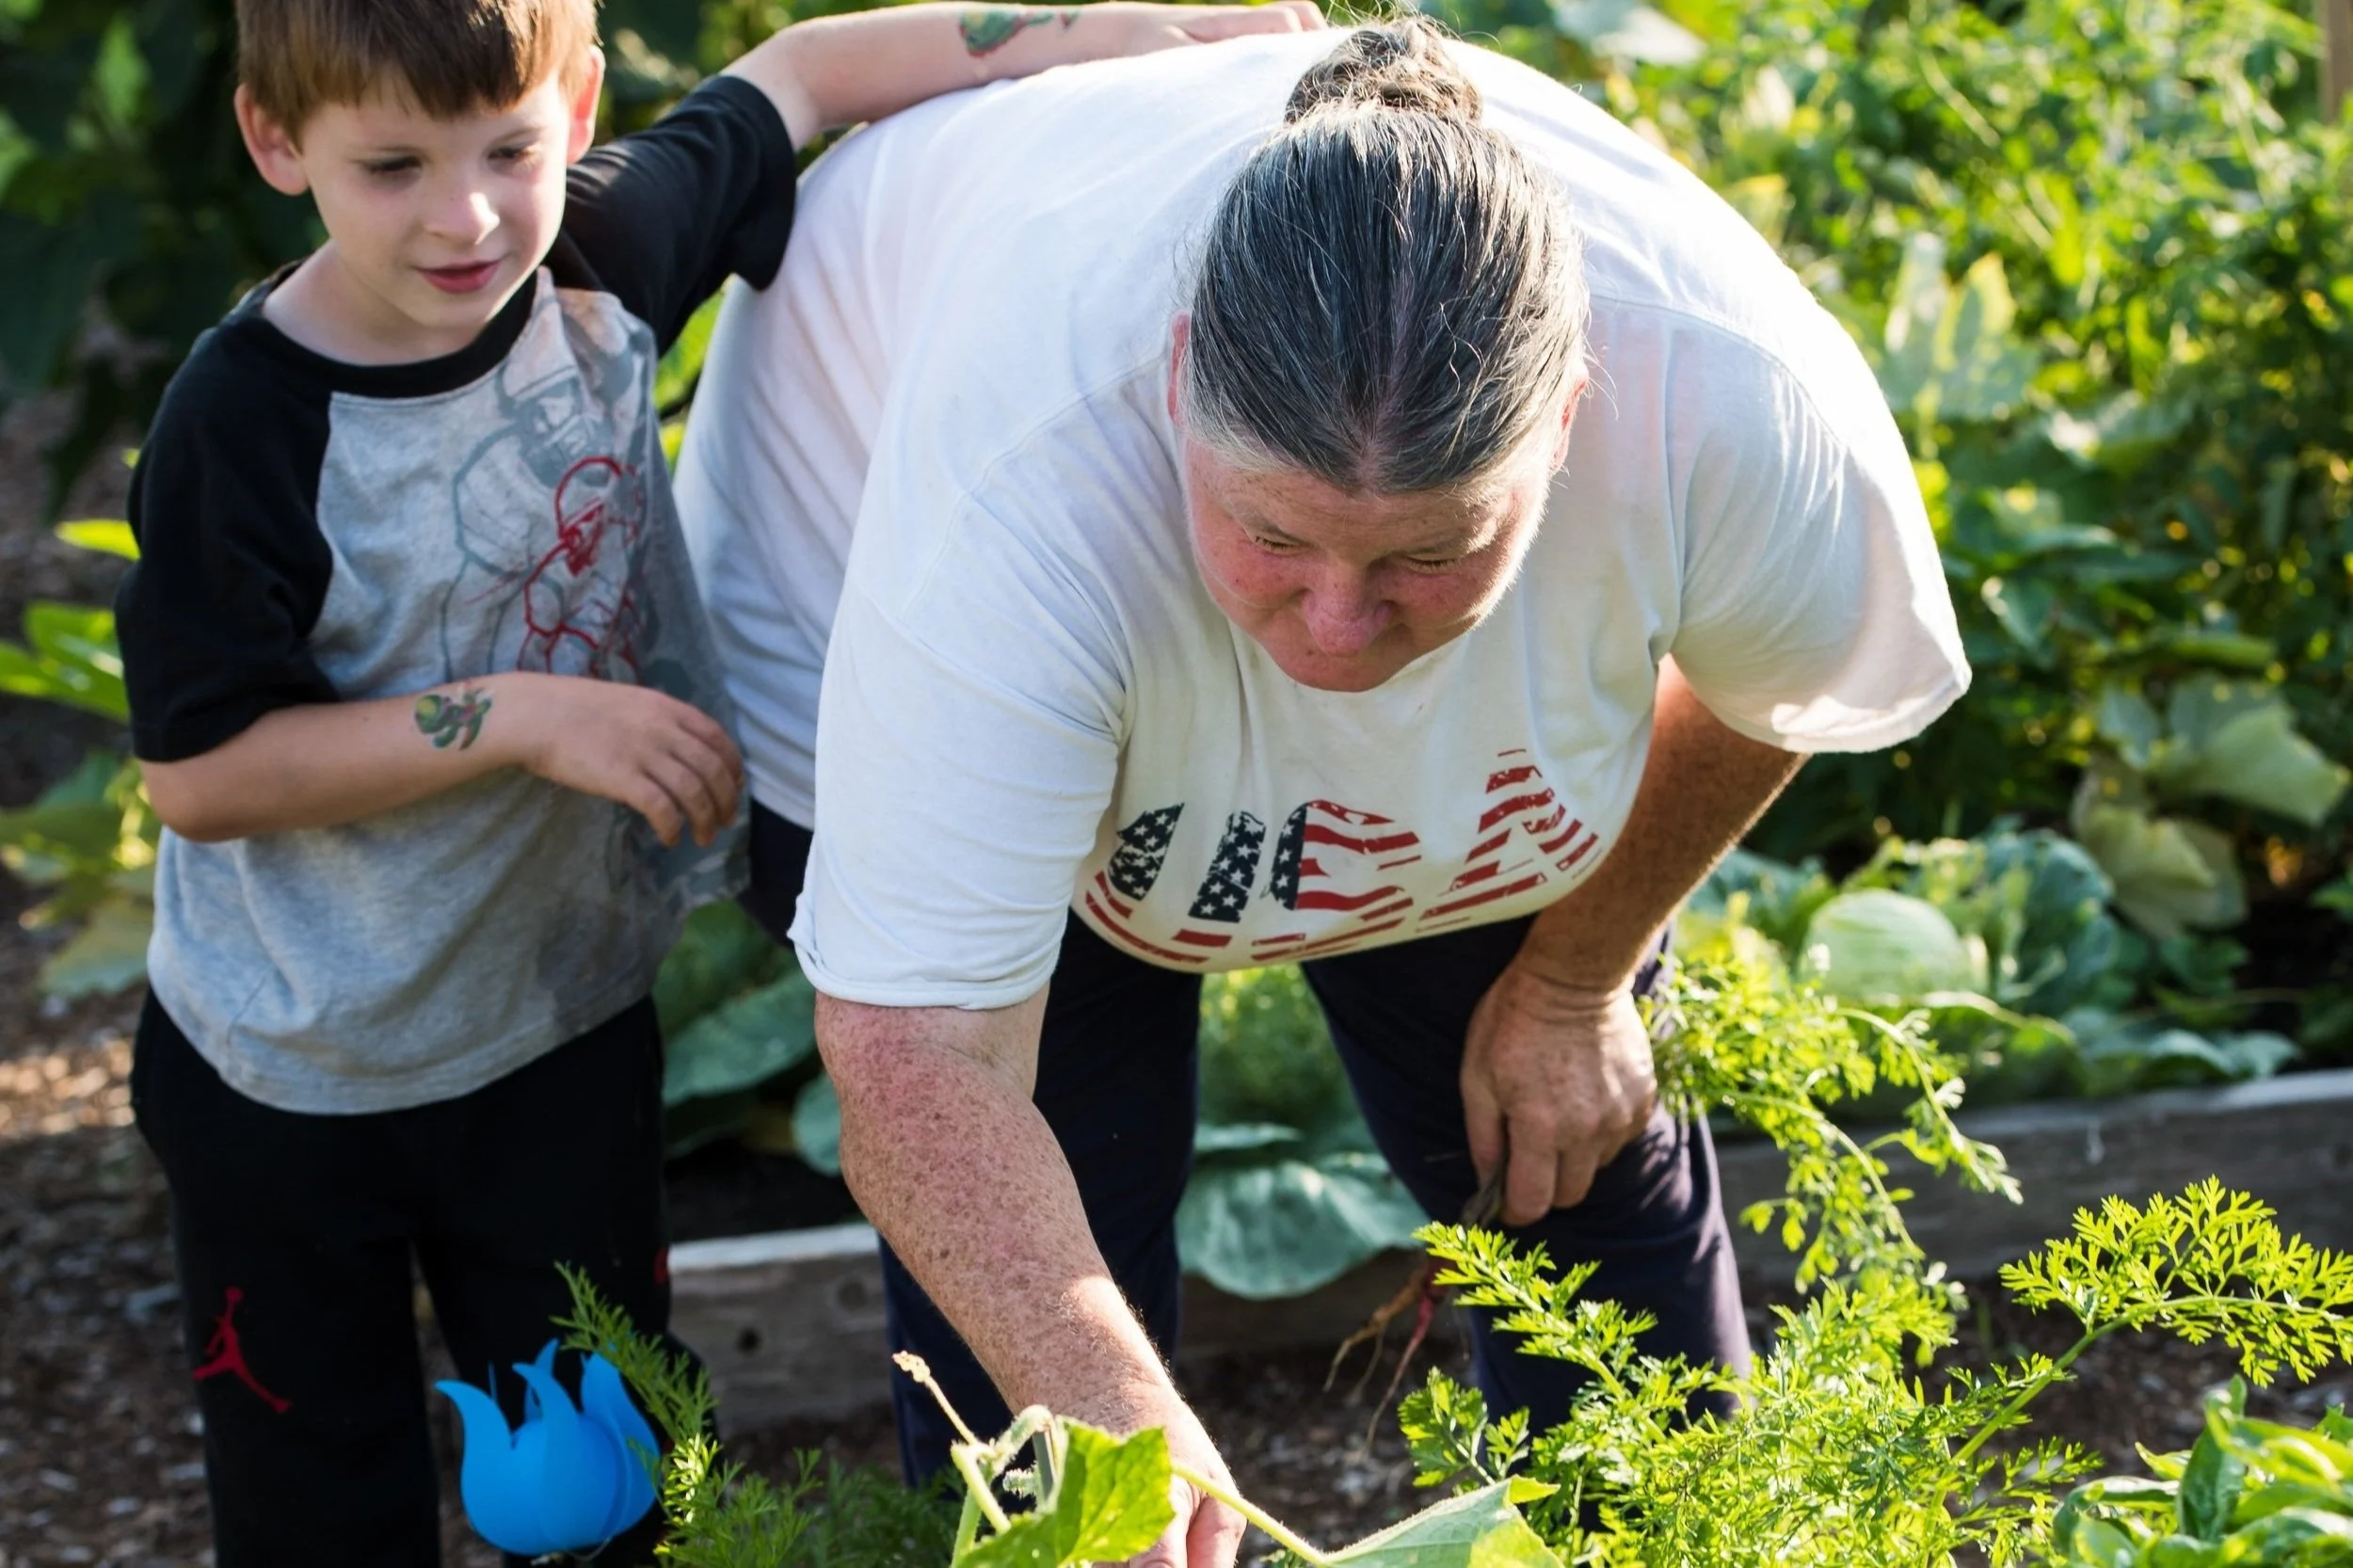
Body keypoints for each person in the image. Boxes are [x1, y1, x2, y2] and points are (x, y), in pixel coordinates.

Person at [678, 16, 1967, 1566]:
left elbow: (1781, 688)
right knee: (1057, 1335)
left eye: (1430, 551)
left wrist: (1577, 977)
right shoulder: (1016, 494)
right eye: (1276, 537)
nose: (1339, 627)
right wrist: (1109, 1409)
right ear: (1177, 382)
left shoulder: (1733, 397)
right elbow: (920, 1060)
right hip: (859, 506)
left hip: (1354, 604)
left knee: (1569, 1153)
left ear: (1566, 421)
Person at [113, 0, 1322, 1563]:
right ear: (279, 142)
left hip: (558, 1029)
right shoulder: (244, 424)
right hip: (291, 1072)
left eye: (508, 151)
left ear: (580, 109)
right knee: (319, 1504)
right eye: (393, 167)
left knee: (604, 1489)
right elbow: (200, 772)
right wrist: (524, 718)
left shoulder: (598, 260)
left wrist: (1130, 31)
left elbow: (803, 73)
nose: (467, 217)